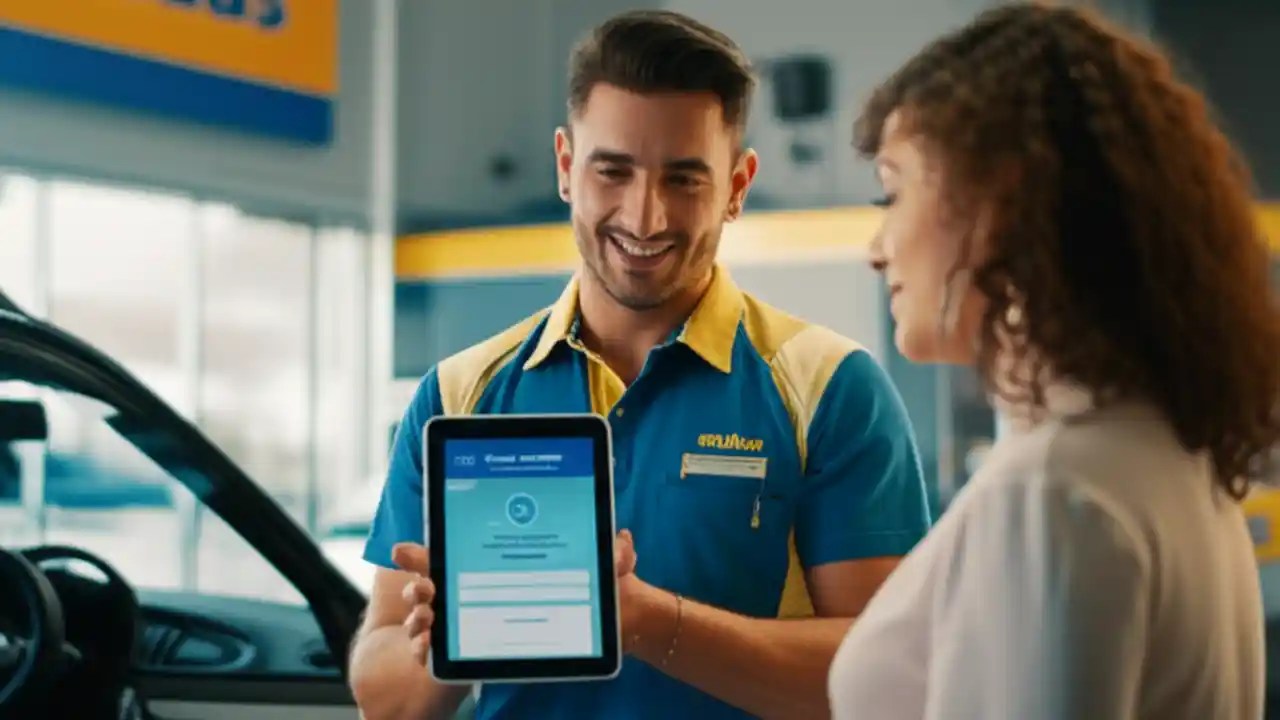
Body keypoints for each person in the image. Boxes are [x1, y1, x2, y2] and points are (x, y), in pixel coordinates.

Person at [348, 9, 931, 720]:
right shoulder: (459, 392)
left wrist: (648, 622)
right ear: (567, 167)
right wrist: (448, 640)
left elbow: (889, 683)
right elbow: (383, 698)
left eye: (684, 179)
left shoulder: (829, 388)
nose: (645, 216)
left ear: (738, 186)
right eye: (612, 171)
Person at [828, 3, 1280, 719]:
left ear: (1001, 198)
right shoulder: (1168, 456)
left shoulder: (1047, 492)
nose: (877, 247)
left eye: (894, 191)